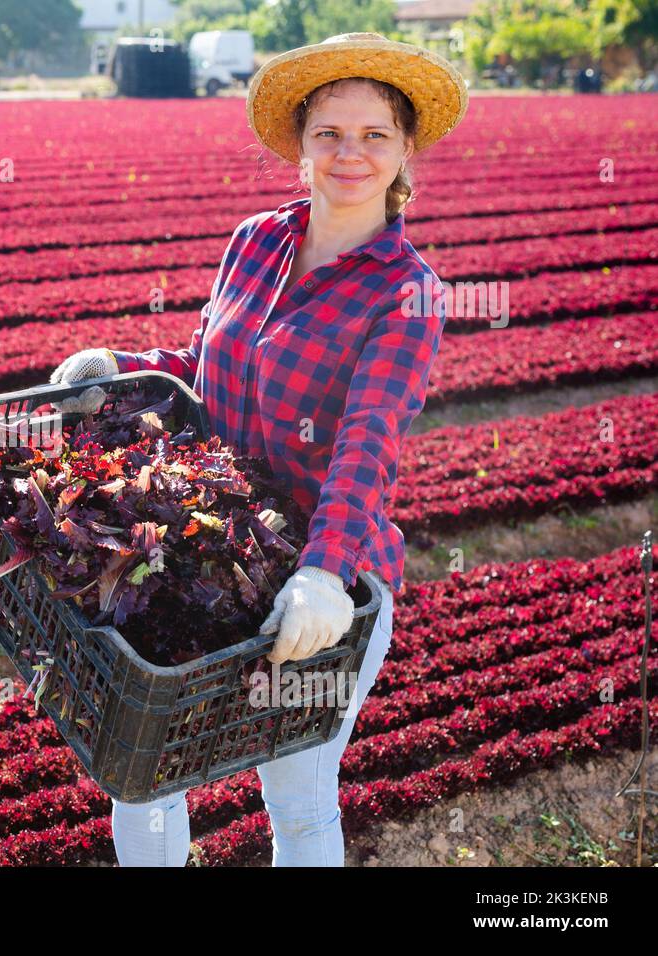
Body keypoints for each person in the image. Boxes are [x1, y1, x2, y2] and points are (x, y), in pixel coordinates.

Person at [50, 33, 467, 866]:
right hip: (214, 545)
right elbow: (201, 367)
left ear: (404, 149)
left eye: (374, 135)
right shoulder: (255, 240)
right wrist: (118, 371)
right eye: (330, 133)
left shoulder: (407, 290)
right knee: (146, 774)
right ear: (301, 144)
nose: (350, 153)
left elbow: (367, 442)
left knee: (298, 797)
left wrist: (323, 572)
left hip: (321, 577)